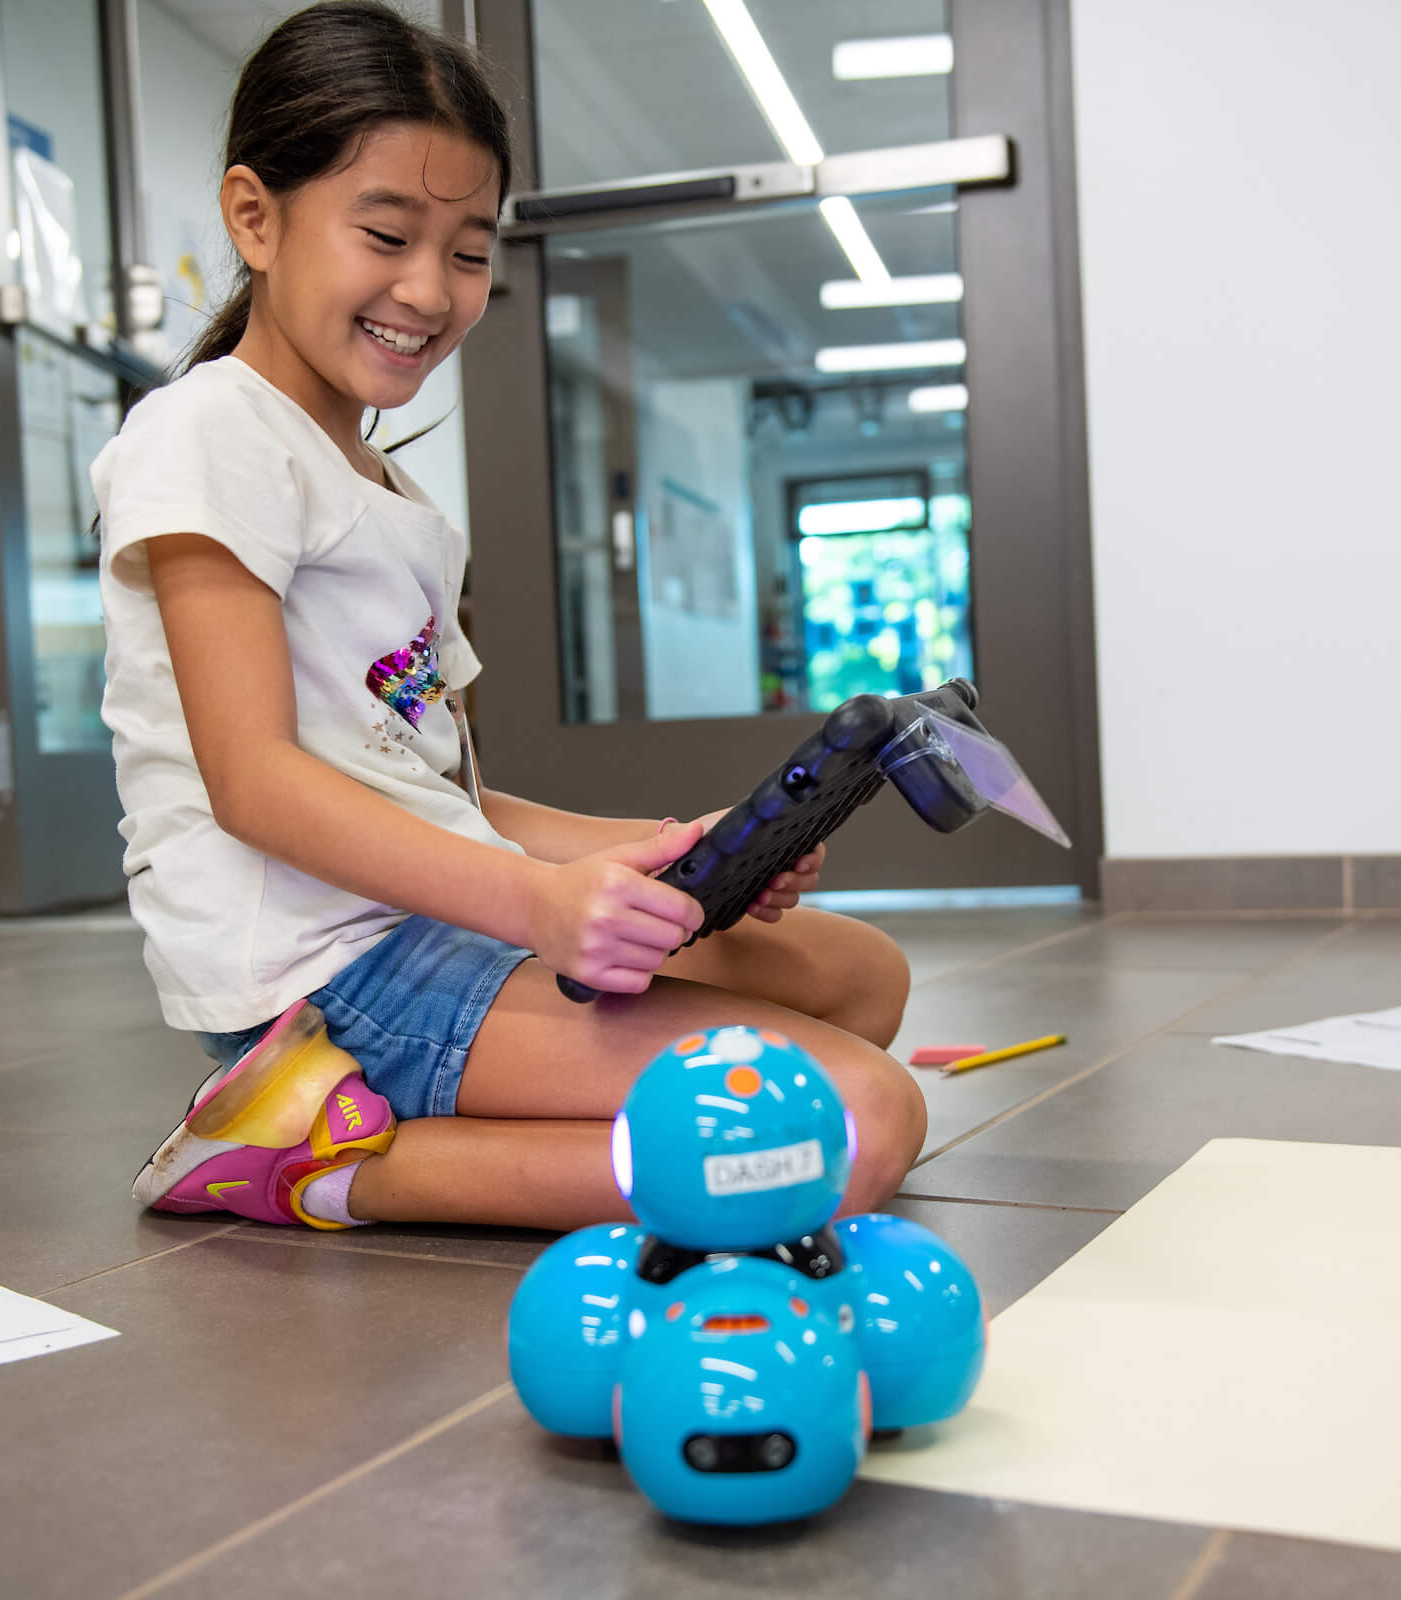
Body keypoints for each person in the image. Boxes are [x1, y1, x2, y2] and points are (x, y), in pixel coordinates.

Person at [98, 1, 921, 1235]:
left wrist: (667, 854)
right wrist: (535, 908)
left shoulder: (393, 497)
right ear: (253, 216)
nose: (428, 290)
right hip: (330, 972)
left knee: (867, 978)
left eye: (470, 251)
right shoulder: (208, 433)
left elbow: (452, 801)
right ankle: (303, 1155)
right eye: (386, 234)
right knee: (856, 1121)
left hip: (440, 915)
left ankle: (412, 1110)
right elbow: (252, 783)